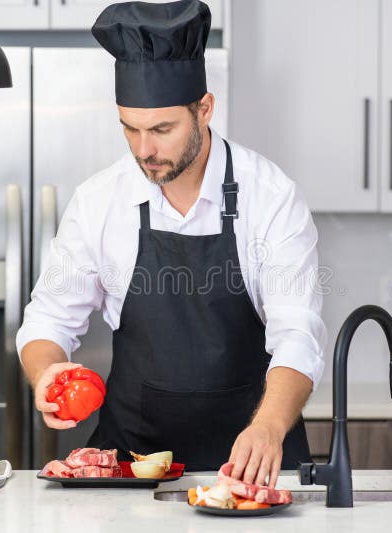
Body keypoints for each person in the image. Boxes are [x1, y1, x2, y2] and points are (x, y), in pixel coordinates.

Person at [17, 0, 327, 487]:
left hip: (252, 465)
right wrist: (47, 373)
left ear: (203, 109)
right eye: (130, 128)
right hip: (131, 470)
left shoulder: (270, 197)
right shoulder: (100, 200)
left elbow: (298, 335)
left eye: (162, 129)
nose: (145, 150)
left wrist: (267, 427)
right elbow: (48, 318)